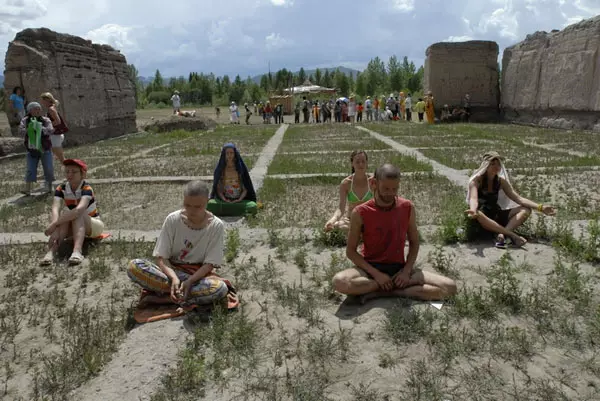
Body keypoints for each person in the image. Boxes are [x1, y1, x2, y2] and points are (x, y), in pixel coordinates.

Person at [332, 164, 457, 303]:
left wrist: (406, 272)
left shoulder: (407, 207)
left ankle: (386, 292)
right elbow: (351, 251)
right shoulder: (360, 212)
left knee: (450, 288)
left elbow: (415, 242)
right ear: (374, 183)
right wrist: (377, 275)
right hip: (371, 268)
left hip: (399, 268)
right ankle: (385, 287)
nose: (390, 193)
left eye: (395, 189)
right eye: (385, 188)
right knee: (340, 282)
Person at [127, 180, 229, 308]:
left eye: (197, 207)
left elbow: (209, 264)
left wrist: (190, 281)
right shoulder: (173, 219)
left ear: (207, 202)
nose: (192, 211)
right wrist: (174, 278)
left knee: (220, 288)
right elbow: (162, 257)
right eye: (187, 205)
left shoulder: (216, 225)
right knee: (134, 266)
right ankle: (180, 293)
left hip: (196, 276)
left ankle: (163, 298)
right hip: (170, 272)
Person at [466, 152, 556, 248]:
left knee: (525, 209)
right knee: (479, 214)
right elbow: (473, 198)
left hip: (495, 214)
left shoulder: (501, 181)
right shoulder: (476, 181)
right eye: (492, 164)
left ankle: (502, 234)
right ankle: (513, 235)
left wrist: (541, 208)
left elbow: (518, 199)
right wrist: (473, 209)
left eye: (498, 164)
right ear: (485, 165)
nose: (496, 166)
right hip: (482, 215)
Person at [40, 159, 105, 265]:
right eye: (67, 171)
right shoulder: (61, 188)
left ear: (82, 174)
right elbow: (55, 207)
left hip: (93, 225)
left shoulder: (87, 188)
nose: (70, 174)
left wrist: (54, 224)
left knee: (75, 214)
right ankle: (52, 251)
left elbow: (79, 210)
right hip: (76, 225)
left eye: (74, 172)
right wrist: (55, 224)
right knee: (65, 215)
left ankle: (77, 251)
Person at [325, 150, 373, 233]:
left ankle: (358, 234)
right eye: (357, 162)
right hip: (351, 220)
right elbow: (341, 208)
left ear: (367, 163)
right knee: (337, 226)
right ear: (352, 164)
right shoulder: (346, 183)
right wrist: (332, 220)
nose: (361, 164)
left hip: (370, 220)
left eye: (363, 161)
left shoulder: (373, 181)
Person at [207, 143, 258, 217]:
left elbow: (245, 188)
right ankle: (236, 211)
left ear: (235, 154)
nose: (229, 155)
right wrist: (224, 199)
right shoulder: (220, 170)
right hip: (224, 201)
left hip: (239, 201)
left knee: (252, 206)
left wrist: (239, 199)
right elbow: (218, 189)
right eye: (227, 153)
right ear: (224, 155)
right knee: (210, 204)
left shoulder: (240, 169)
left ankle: (228, 211)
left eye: (231, 153)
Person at [20, 102, 55, 195]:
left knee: (48, 168)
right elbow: (21, 131)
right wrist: (30, 129)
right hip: (31, 149)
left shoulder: (45, 120)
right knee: (30, 169)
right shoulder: (25, 120)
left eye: (39, 108)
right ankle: (27, 188)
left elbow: (51, 130)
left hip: (45, 148)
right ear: (30, 110)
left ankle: (49, 187)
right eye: (35, 109)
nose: (38, 110)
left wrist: (40, 128)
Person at [40, 92, 68, 163]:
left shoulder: (51, 109)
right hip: (55, 135)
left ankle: (68, 169)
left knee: (61, 158)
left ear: (47, 100)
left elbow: (58, 121)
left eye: (43, 100)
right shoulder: (52, 107)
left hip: (55, 135)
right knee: (56, 154)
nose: (42, 102)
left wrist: (46, 125)